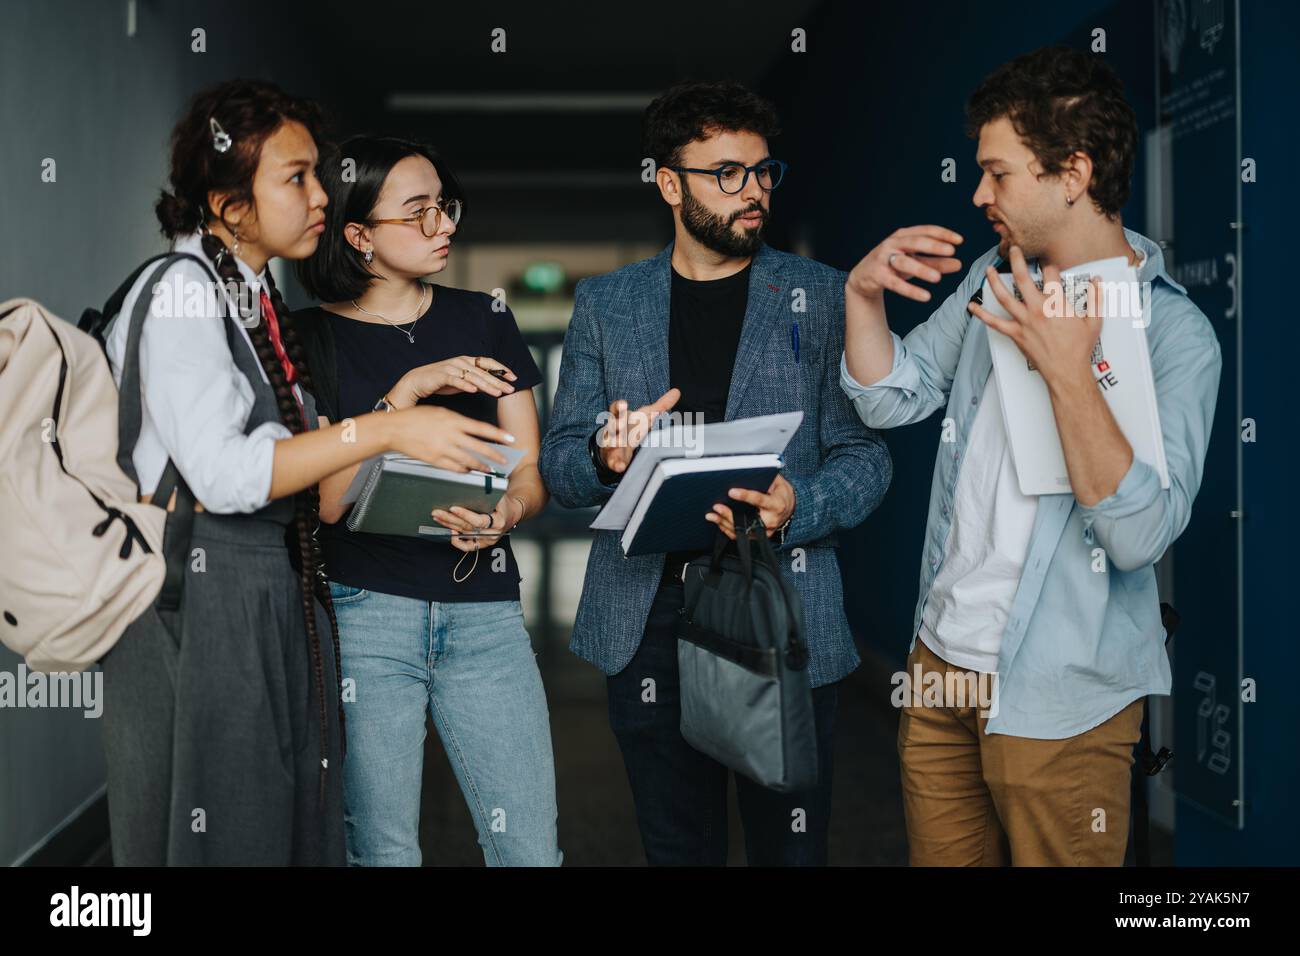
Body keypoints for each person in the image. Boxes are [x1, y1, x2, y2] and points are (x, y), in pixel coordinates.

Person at [99, 81, 512, 866]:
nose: (321, 194)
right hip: (208, 601)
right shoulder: (187, 294)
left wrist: (400, 402)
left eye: (316, 173)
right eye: (296, 178)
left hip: (272, 595)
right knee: (229, 830)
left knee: (282, 826)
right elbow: (225, 477)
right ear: (228, 205)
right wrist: (391, 426)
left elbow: (320, 480)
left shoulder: (252, 295)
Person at [839, 46, 1222, 865]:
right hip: (939, 663)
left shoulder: (1176, 335)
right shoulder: (993, 275)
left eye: (997, 173)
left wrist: (1068, 374)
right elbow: (889, 395)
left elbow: (1139, 535)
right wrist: (861, 297)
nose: (978, 194)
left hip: (1064, 697)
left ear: (1073, 172)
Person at [539, 80, 891, 866]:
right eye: (727, 174)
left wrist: (802, 502)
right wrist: (606, 455)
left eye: (764, 172)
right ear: (670, 184)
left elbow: (868, 459)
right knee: (676, 847)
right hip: (648, 617)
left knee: (789, 850)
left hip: (781, 607)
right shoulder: (606, 304)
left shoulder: (826, 297)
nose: (753, 192)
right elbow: (558, 463)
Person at [295, 135, 561, 867]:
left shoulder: (486, 317)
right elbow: (329, 501)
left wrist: (509, 511)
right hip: (365, 613)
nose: (444, 224)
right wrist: (405, 394)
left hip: (486, 615)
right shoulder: (309, 339)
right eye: (419, 213)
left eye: (445, 207)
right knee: (383, 854)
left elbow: (529, 468)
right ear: (359, 237)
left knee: (530, 853)